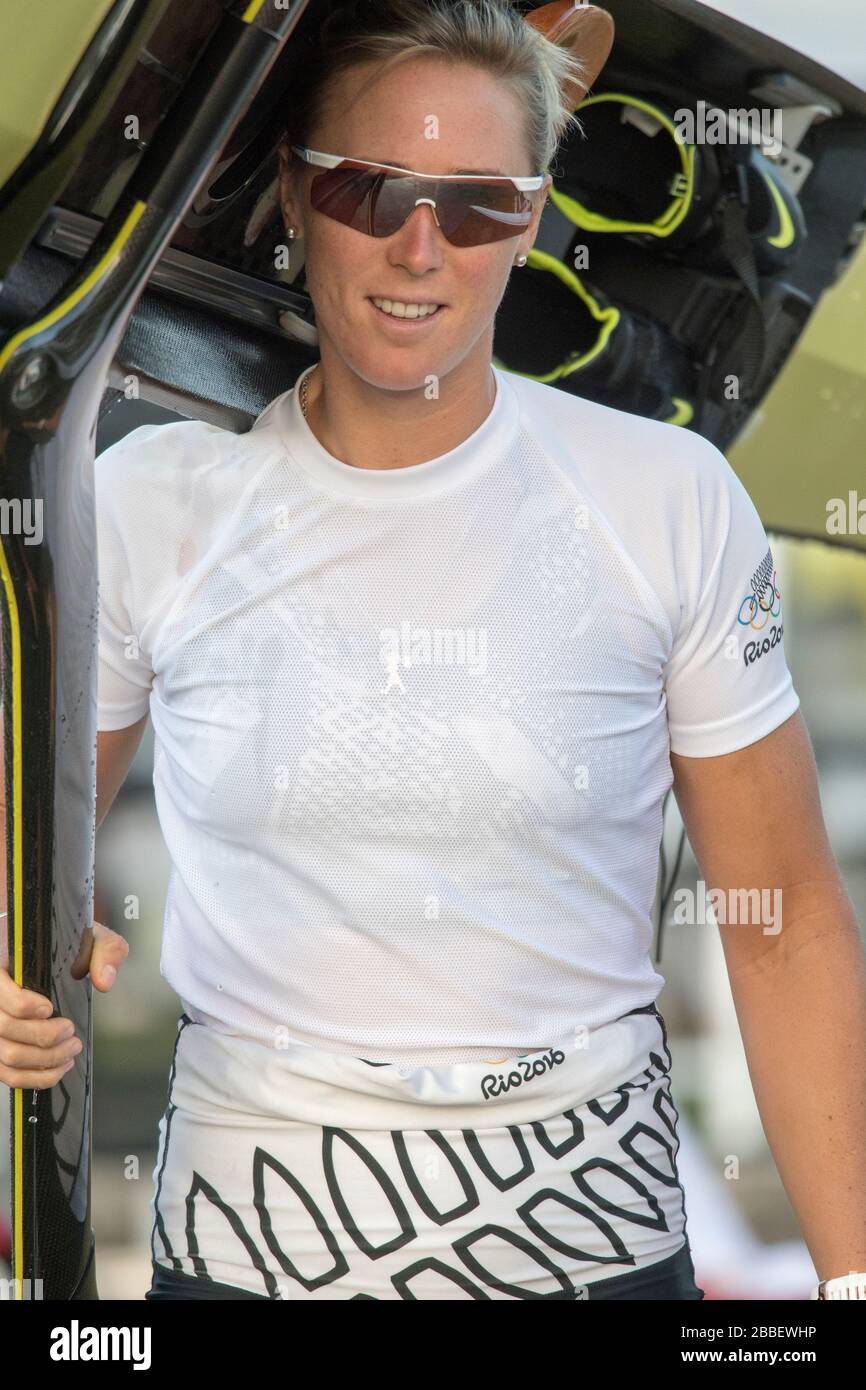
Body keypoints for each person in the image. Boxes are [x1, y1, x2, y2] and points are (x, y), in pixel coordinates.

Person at [2, 0, 865, 1302]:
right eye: (372, 189)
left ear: (528, 220)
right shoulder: (153, 500)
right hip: (252, 1252)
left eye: (475, 205)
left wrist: (852, 1280)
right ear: (294, 196)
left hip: (595, 1247)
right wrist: (24, 947)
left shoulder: (662, 495)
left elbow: (784, 922)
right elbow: (26, 841)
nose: (419, 247)